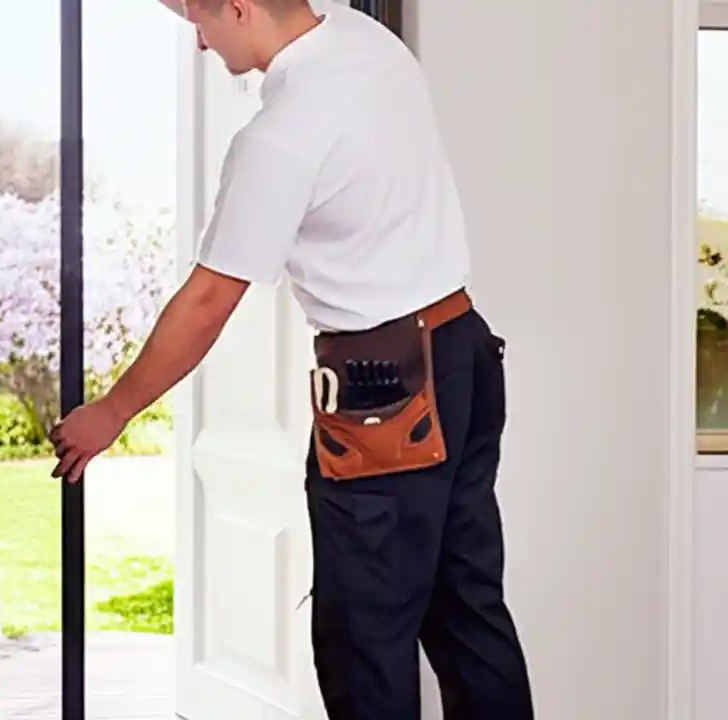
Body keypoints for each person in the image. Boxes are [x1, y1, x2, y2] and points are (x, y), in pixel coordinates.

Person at [48, 1, 535, 718]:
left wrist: (114, 411)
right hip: (464, 354)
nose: (199, 45)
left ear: (240, 8)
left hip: (387, 393)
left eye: (198, 22)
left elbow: (210, 298)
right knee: (467, 612)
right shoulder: (369, 43)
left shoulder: (280, 136)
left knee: (361, 642)